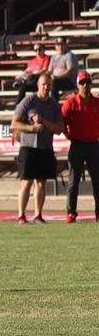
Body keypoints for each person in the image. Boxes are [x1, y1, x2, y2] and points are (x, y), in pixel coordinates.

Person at [11, 73, 65, 224]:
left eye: (48, 84)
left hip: (45, 148)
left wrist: (44, 122)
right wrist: (31, 128)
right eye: (43, 85)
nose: (46, 87)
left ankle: (38, 215)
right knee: (26, 182)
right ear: (38, 85)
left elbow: (60, 128)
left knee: (41, 182)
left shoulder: (54, 105)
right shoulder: (29, 100)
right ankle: (21, 215)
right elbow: (14, 123)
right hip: (28, 147)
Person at [62, 72, 99, 223]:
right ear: (77, 85)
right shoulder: (70, 102)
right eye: (82, 83)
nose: (85, 85)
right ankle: (71, 212)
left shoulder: (97, 102)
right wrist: (67, 135)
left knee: (98, 181)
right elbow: (61, 122)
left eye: (87, 82)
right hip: (77, 145)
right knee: (73, 181)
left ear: (91, 84)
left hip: (93, 145)